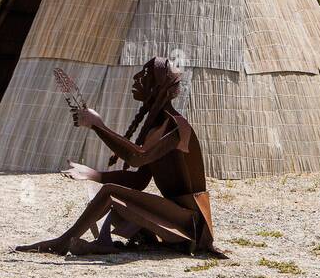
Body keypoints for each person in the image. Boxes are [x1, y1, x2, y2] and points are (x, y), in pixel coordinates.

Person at [17, 57, 219, 257]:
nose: (136, 78)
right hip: (177, 216)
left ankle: (61, 243)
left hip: (191, 222)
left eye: (145, 75)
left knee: (110, 193)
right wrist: (95, 175)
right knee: (108, 199)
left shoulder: (176, 127)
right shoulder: (157, 128)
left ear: (157, 86)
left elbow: (137, 158)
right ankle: (105, 243)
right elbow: (139, 180)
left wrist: (98, 126)